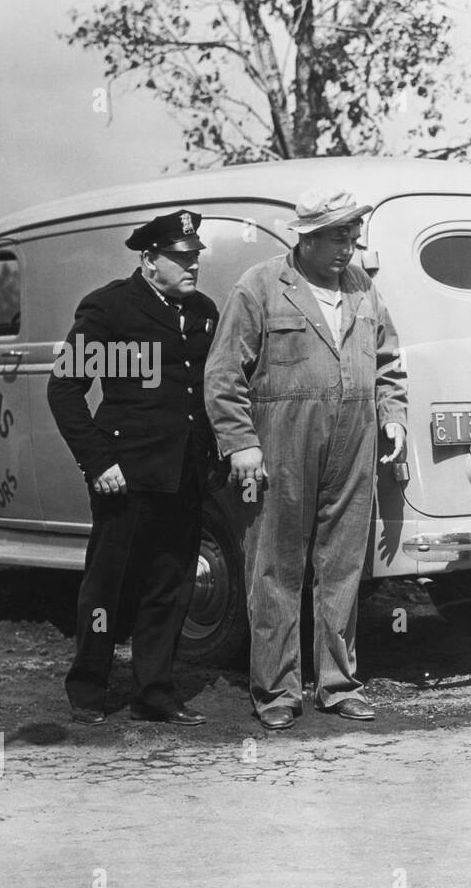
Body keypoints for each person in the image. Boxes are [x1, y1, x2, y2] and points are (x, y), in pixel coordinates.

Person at [204, 190, 407, 731]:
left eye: (354, 235)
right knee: (274, 567)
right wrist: (240, 441)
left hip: (354, 440)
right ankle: (276, 690)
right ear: (307, 236)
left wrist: (393, 415)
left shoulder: (364, 288)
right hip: (281, 442)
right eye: (339, 236)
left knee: (342, 567)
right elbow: (223, 374)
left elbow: (389, 365)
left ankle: (337, 685)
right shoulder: (261, 286)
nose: (350, 247)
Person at [47, 209, 220, 726]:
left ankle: (155, 692)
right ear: (149, 259)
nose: (193, 266)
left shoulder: (204, 312)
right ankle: (88, 690)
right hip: (126, 475)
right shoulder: (110, 308)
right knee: (110, 585)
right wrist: (99, 461)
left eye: (196, 257)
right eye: (181, 257)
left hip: (184, 473)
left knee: (171, 585)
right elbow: (65, 390)